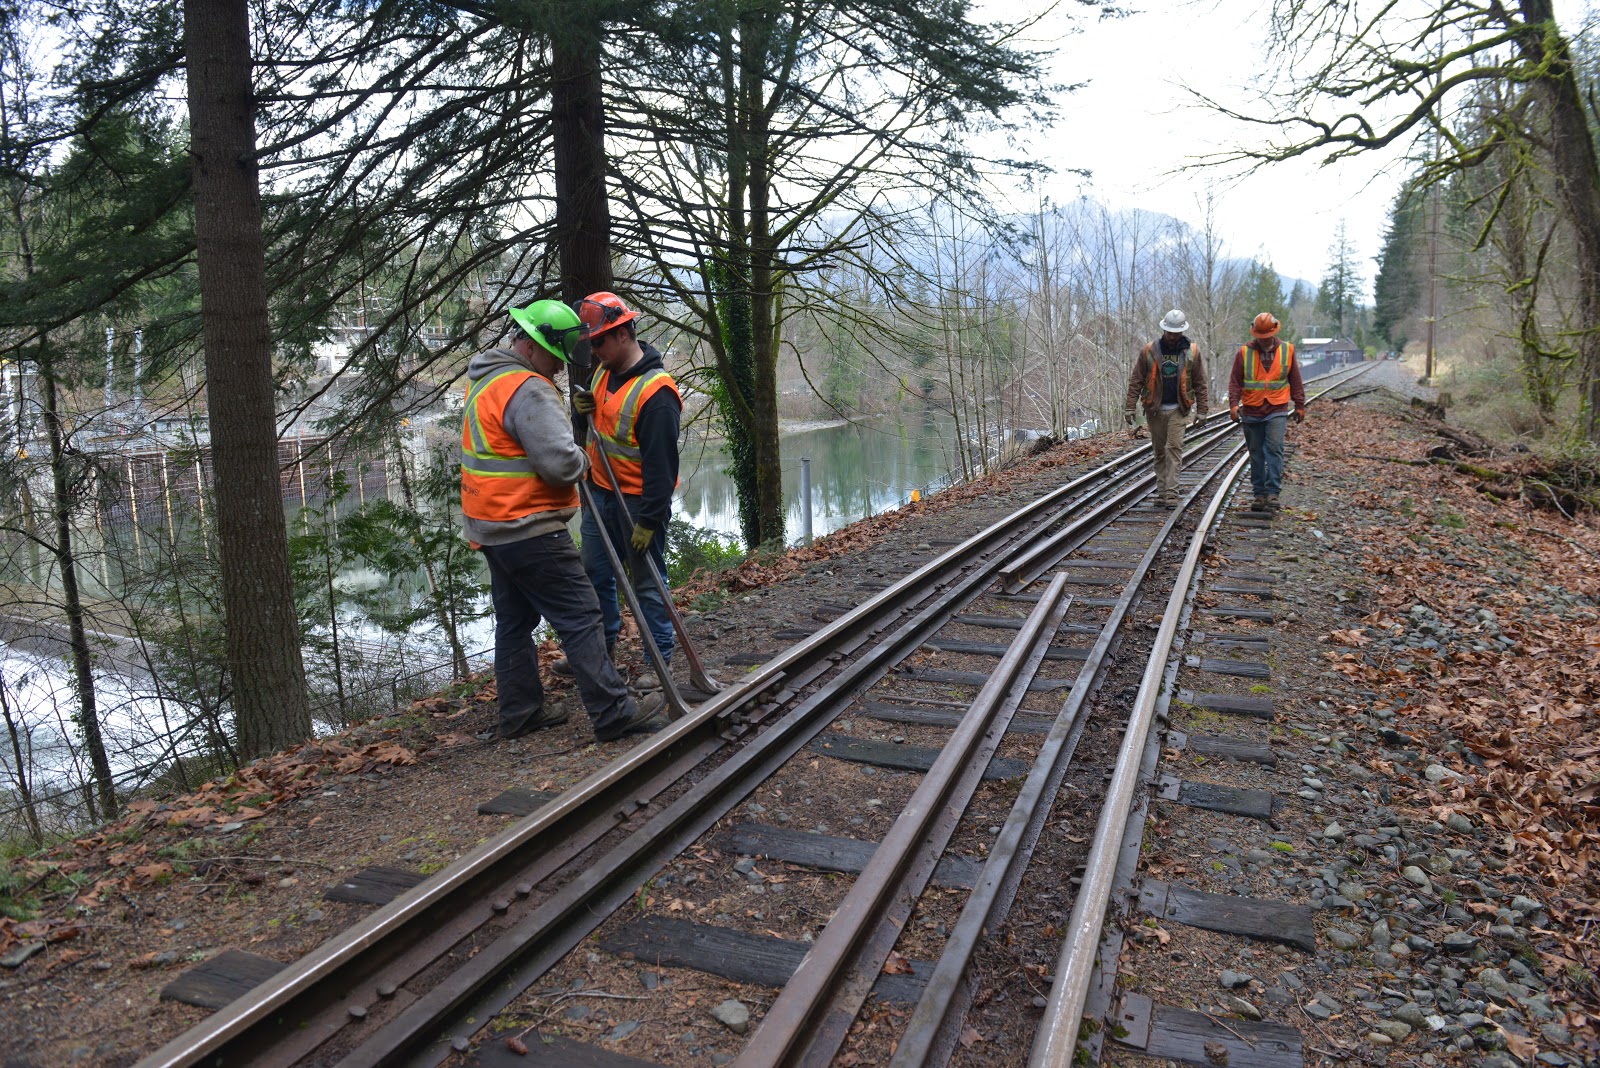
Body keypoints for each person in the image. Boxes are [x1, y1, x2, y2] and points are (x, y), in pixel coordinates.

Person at [460, 300, 663, 743]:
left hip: (490, 526)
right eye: (554, 358)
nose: (555, 369)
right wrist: (580, 458)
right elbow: (557, 464)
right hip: (528, 525)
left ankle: (520, 712)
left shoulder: (486, 380)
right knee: (582, 613)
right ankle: (613, 712)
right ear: (535, 346)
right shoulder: (528, 388)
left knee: (513, 621)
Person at [569, 292, 683, 682]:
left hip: (638, 504)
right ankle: (600, 652)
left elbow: (662, 468)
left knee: (647, 582)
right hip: (600, 493)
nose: (594, 349)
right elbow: (596, 430)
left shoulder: (658, 393)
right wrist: (579, 410)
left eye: (599, 341)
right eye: (591, 342)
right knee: (594, 572)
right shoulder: (602, 373)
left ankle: (659, 661)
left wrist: (649, 519)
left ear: (622, 333)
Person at [1124, 309, 1209, 506]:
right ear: (1164, 330)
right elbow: (1136, 380)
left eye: (1176, 333)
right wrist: (1130, 407)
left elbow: (1200, 383)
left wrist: (1202, 410)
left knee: (1174, 448)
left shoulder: (1192, 352)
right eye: (1169, 332)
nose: (1172, 336)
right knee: (1159, 451)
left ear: (1182, 332)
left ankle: (1171, 493)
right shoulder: (1149, 351)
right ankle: (1162, 492)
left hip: (1178, 409)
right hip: (1154, 409)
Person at [1228, 312, 1307, 514]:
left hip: (1277, 408)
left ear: (1274, 332)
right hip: (1252, 409)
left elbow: (1295, 379)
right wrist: (1234, 404)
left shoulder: (1287, 350)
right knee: (1256, 454)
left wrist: (1299, 404)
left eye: (1266, 337)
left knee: (1274, 449)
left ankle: (1272, 493)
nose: (1263, 341)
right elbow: (1235, 381)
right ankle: (1259, 494)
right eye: (1259, 337)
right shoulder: (1244, 352)